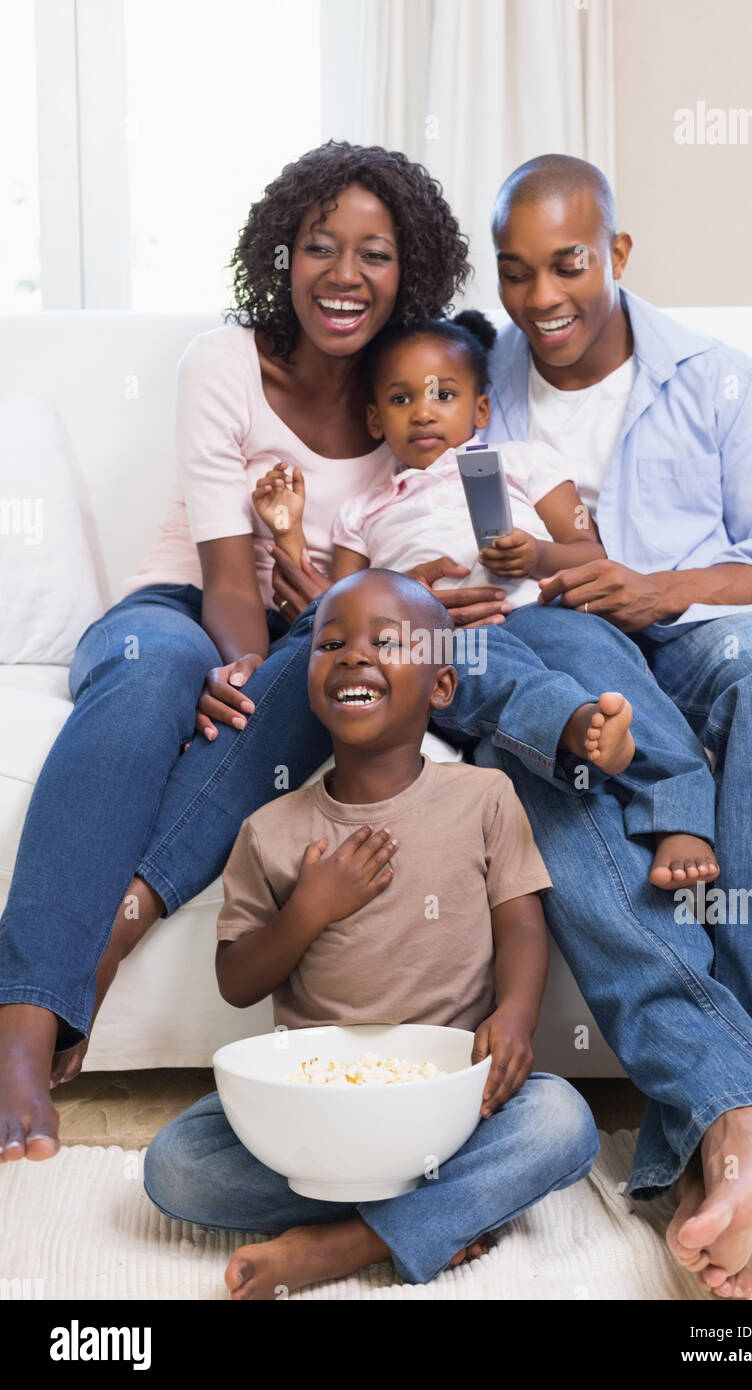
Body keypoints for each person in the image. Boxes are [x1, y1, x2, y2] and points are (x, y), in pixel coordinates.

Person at [0, 140, 480, 1157]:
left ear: (411, 272)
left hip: (313, 634)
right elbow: (225, 578)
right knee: (157, 676)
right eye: (320, 246)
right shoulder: (226, 364)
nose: (345, 275)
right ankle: (22, 1027)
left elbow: (435, 553)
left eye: (375, 254)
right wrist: (235, 667)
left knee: (342, 656)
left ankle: (114, 927)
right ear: (282, 254)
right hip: (180, 608)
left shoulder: (417, 393)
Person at [451, 152, 752, 1299]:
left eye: (568, 265)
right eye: (516, 272)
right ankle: (741, 1139)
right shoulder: (471, 381)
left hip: (692, 630)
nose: (542, 299)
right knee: (535, 759)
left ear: (617, 255)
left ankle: (721, 1133)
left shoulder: (717, 382)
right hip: (557, 659)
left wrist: (662, 589)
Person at [142, 569, 599, 1297]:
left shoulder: (484, 797)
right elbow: (237, 981)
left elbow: (520, 925)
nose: (354, 656)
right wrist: (310, 909)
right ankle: (435, 1213)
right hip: (320, 1111)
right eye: (330, 643)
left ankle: (349, 1243)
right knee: (176, 1164)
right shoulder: (272, 830)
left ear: (441, 688)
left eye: (387, 642)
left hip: (452, 1108)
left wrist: (514, 1018)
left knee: (561, 1123)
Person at [253, 309, 721, 886]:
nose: (422, 411)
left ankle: (680, 814)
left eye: (443, 395)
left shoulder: (523, 462)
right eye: (400, 400)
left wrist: (538, 556)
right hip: (453, 643)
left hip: (548, 609)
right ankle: (571, 725)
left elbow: (589, 550)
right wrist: (289, 534)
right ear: (375, 418)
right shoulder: (364, 511)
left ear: (480, 410)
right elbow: (337, 607)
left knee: (606, 666)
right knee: (470, 668)